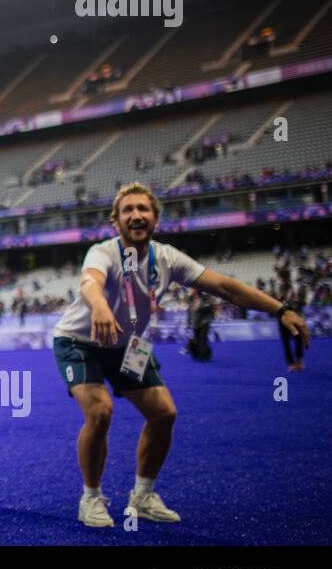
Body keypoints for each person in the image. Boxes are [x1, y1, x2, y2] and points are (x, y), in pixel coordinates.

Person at [53, 182, 310, 528]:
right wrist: (98, 306)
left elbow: (225, 287)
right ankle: (91, 498)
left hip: (128, 344)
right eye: (127, 210)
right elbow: (90, 283)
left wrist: (281, 309)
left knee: (164, 414)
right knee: (100, 412)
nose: (136, 215)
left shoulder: (168, 258)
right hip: (80, 340)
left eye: (143, 209)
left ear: (155, 218)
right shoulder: (104, 253)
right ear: (116, 222)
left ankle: (142, 497)